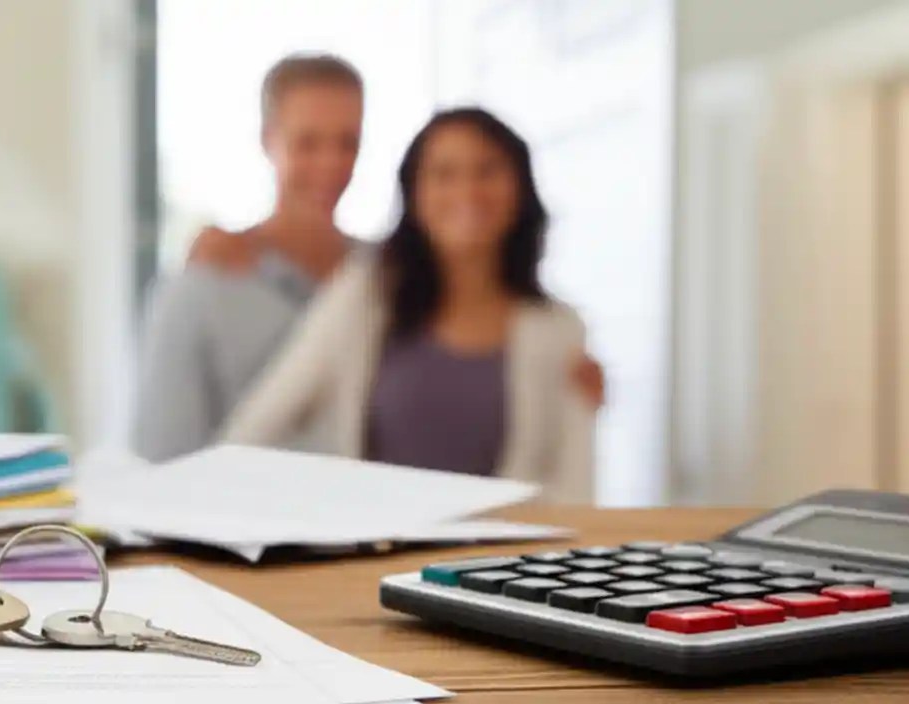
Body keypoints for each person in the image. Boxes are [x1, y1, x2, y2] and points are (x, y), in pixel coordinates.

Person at [221, 108, 596, 502]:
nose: (468, 191)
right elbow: (258, 425)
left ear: (520, 188)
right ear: (414, 193)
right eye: (444, 174)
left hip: (496, 559)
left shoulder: (559, 328)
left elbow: (576, 488)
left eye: (487, 170)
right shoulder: (365, 295)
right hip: (368, 552)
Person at [132, 53, 363, 461]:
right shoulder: (200, 290)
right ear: (267, 140)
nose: (332, 164)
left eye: (347, 143)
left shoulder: (386, 278)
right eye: (307, 143)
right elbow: (162, 459)